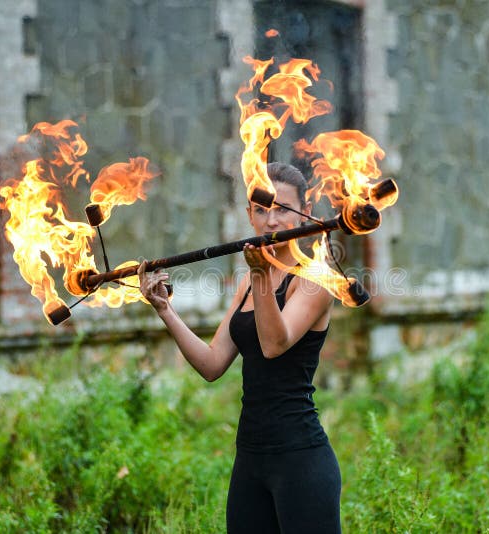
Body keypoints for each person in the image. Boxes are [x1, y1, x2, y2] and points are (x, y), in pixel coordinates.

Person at [137, 162, 341, 533]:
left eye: (283, 209)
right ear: (249, 215)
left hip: (300, 459)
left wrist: (261, 274)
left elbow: (274, 344)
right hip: (250, 459)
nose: (271, 220)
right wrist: (165, 310)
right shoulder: (248, 282)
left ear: (306, 213)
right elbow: (212, 364)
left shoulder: (315, 280)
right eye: (261, 210)